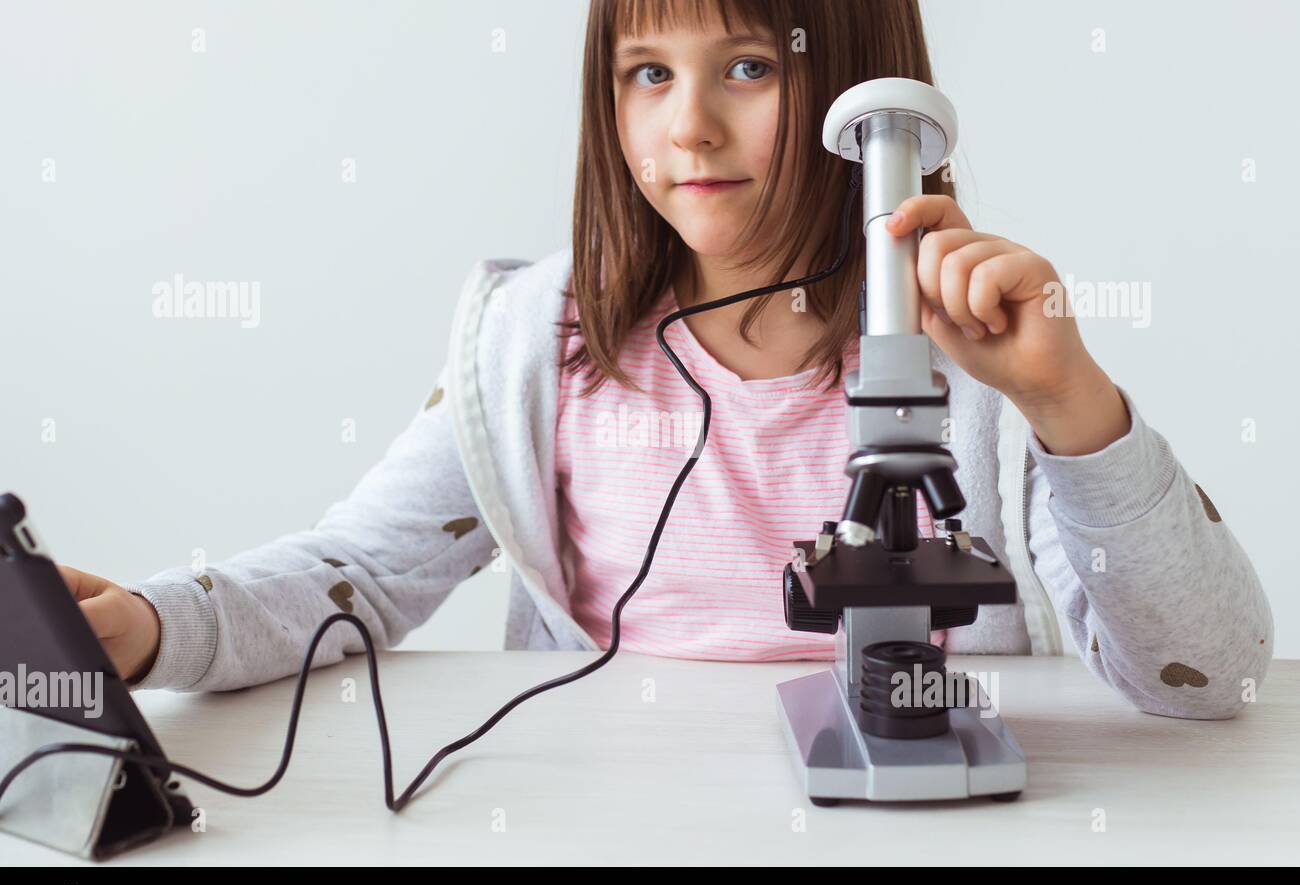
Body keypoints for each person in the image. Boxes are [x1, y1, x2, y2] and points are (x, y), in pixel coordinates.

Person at [61, 0, 1272, 719]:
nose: (686, 124)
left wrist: (1074, 410)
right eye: (648, 73)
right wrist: (157, 625)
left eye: (748, 66)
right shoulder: (538, 344)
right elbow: (359, 573)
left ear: (864, 89)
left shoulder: (978, 373)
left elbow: (1205, 677)